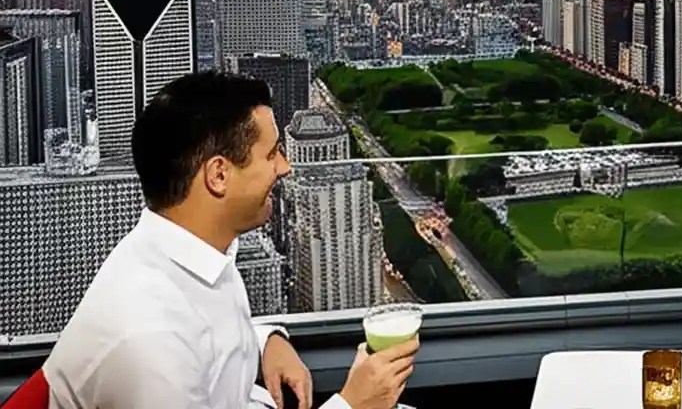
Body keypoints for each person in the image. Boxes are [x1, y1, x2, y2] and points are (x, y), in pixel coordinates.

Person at [44, 72, 418, 409]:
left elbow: (200, 336)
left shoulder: (187, 253)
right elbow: (174, 345)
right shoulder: (149, 341)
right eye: (272, 154)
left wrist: (263, 341)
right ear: (219, 175)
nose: (285, 167)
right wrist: (354, 405)